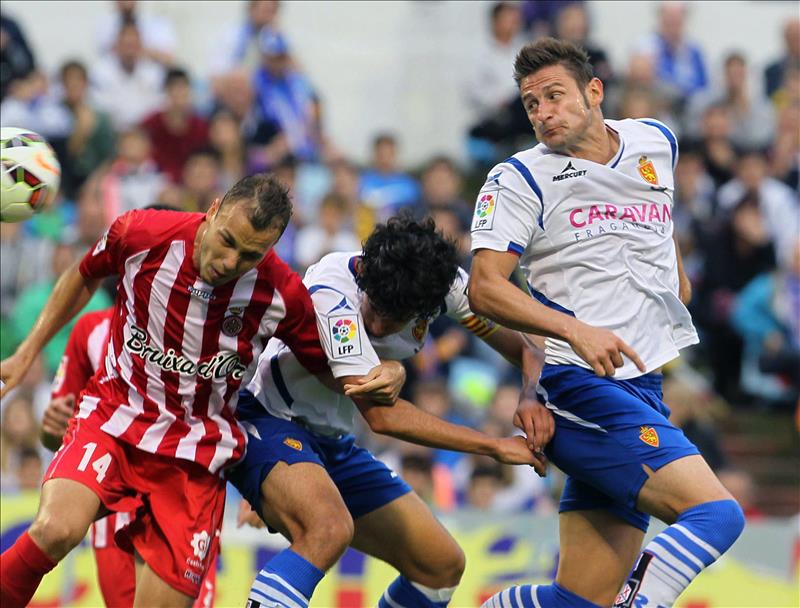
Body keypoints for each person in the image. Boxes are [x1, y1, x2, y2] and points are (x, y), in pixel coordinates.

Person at [470, 39, 744, 608]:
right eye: (530, 104)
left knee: (578, 601)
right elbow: (485, 287)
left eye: (554, 96)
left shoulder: (655, 141)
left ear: (594, 93)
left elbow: (659, 215)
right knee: (717, 515)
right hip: (578, 386)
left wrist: (674, 277)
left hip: (642, 385)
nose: (543, 112)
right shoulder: (518, 178)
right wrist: (575, 331)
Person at [0, 173, 341, 607]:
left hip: (195, 457)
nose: (230, 261)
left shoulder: (281, 293)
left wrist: (383, 369)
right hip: (115, 419)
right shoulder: (141, 233)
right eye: (228, 240)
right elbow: (84, 273)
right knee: (55, 528)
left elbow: (328, 371)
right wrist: (27, 351)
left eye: (250, 255)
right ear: (213, 209)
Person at [228, 216, 552, 608]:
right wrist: (494, 446)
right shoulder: (331, 290)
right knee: (327, 529)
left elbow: (526, 347)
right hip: (268, 419)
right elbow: (382, 416)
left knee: (440, 565)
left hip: (332, 441)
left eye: (395, 318)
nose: (379, 325)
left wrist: (530, 393)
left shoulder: (444, 287)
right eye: (376, 308)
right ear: (364, 272)